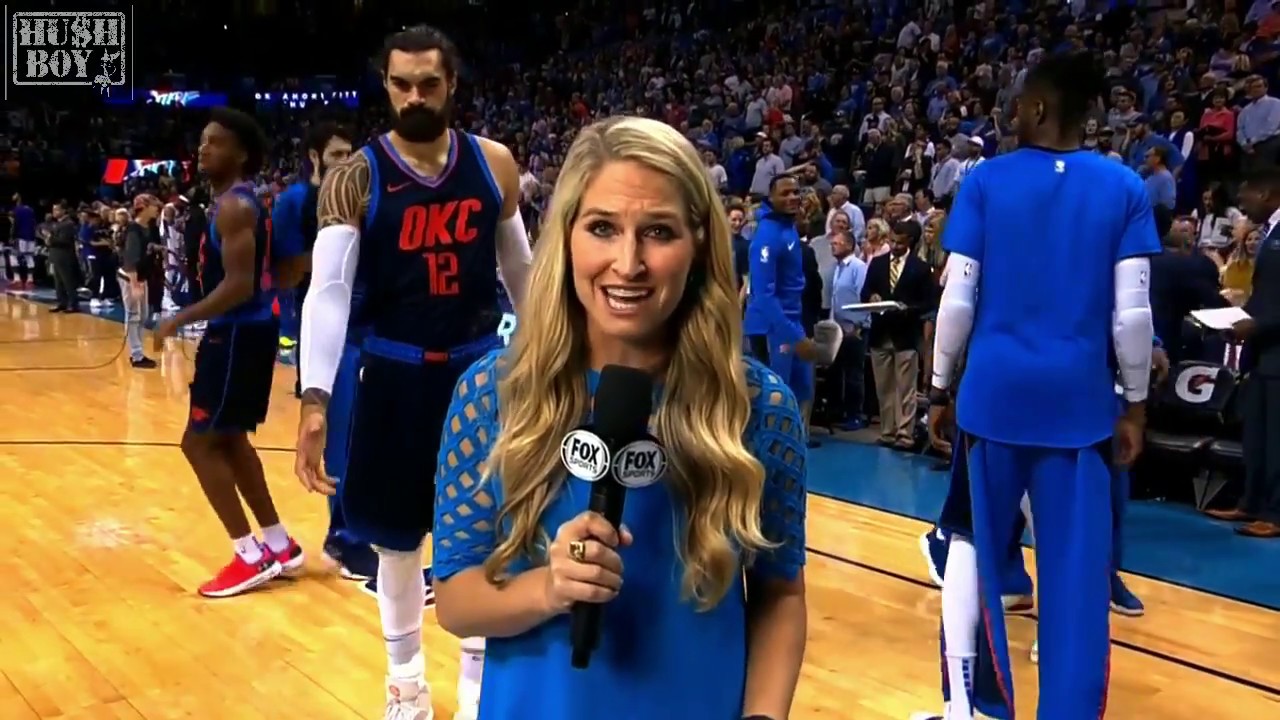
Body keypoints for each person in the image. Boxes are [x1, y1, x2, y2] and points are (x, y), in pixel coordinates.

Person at [430, 115, 808, 720]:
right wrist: (548, 589)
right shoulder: (493, 393)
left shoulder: (757, 406)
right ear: (567, 237)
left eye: (658, 231)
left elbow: (780, 593)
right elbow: (455, 600)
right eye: (603, 228)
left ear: (700, 243)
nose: (627, 264)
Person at [292, 26, 532, 720]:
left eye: (429, 82)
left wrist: (557, 352)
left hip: (479, 374)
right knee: (397, 543)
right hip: (395, 375)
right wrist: (314, 400)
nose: (416, 96)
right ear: (386, 86)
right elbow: (329, 294)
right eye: (402, 84)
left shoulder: (494, 165)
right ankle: (405, 687)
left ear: (452, 83)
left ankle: (479, 688)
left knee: (486, 535)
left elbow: (523, 273)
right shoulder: (356, 177)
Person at [912, 52, 1160, 720]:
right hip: (1080, 408)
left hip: (992, 400)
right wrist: (1134, 404)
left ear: (1041, 109)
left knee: (974, 555)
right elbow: (1133, 315)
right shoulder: (1124, 186)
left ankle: (976, 707)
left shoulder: (987, 181)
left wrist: (937, 388)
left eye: (1018, 101)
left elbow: (958, 298)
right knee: (1077, 584)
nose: (1010, 110)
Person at [153, 106, 305, 598]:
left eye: (215, 142)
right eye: (202, 141)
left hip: (238, 334)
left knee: (197, 443)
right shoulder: (234, 203)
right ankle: (280, 545)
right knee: (232, 441)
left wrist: (179, 316)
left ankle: (249, 554)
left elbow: (239, 285)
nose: (203, 149)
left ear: (241, 153)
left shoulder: (236, 206)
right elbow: (279, 270)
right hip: (248, 332)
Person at [270, 122, 376, 579]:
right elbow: (291, 272)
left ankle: (361, 528)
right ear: (314, 158)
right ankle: (343, 538)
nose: (345, 164)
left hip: (370, 325)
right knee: (338, 438)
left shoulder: (361, 195)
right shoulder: (296, 201)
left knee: (367, 436)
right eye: (336, 155)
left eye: (350, 154)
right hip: (331, 332)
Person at [1208, 167, 1280, 537]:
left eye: (1247, 193)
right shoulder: (1268, 234)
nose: (1241, 201)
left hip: (1277, 351)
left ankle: (1275, 513)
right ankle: (1250, 502)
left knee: (1276, 440)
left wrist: (1258, 324)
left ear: (1267, 193)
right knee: (1256, 436)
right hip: (1261, 352)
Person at [744, 175, 818, 412]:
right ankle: (762, 449)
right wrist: (794, 336)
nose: (793, 197)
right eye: (785, 193)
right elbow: (763, 296)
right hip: (771, 327)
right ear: (770, 198)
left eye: (796, 192)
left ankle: (792, 447)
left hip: (791, 322)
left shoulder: (789, 228)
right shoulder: (767, 237)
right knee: (773, 401)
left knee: (799, 395)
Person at [119, 196, 161, 369]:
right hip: (131, 277)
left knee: (143, 316)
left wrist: (155, 248)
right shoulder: (133, 231)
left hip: (142, 276)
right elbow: (131, 260)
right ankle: (136, 355)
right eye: (153, 205)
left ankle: (138, 351)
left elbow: (146, 247)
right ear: (143, 208)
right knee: (134, 317)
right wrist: (135, 285)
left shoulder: (149, 227)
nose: (157, 208)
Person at [45, 202, 81, 313]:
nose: (54, 212)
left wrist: (50, 239)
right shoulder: (57, 224)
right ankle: (62, 302)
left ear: (63, 211)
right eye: (53, 210)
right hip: (56, 256)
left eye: (56, 210)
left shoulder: (68, 224)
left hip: (65, 256)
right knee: (58, 282)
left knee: (68, 281)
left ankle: (73, 304)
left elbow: (65, 241)